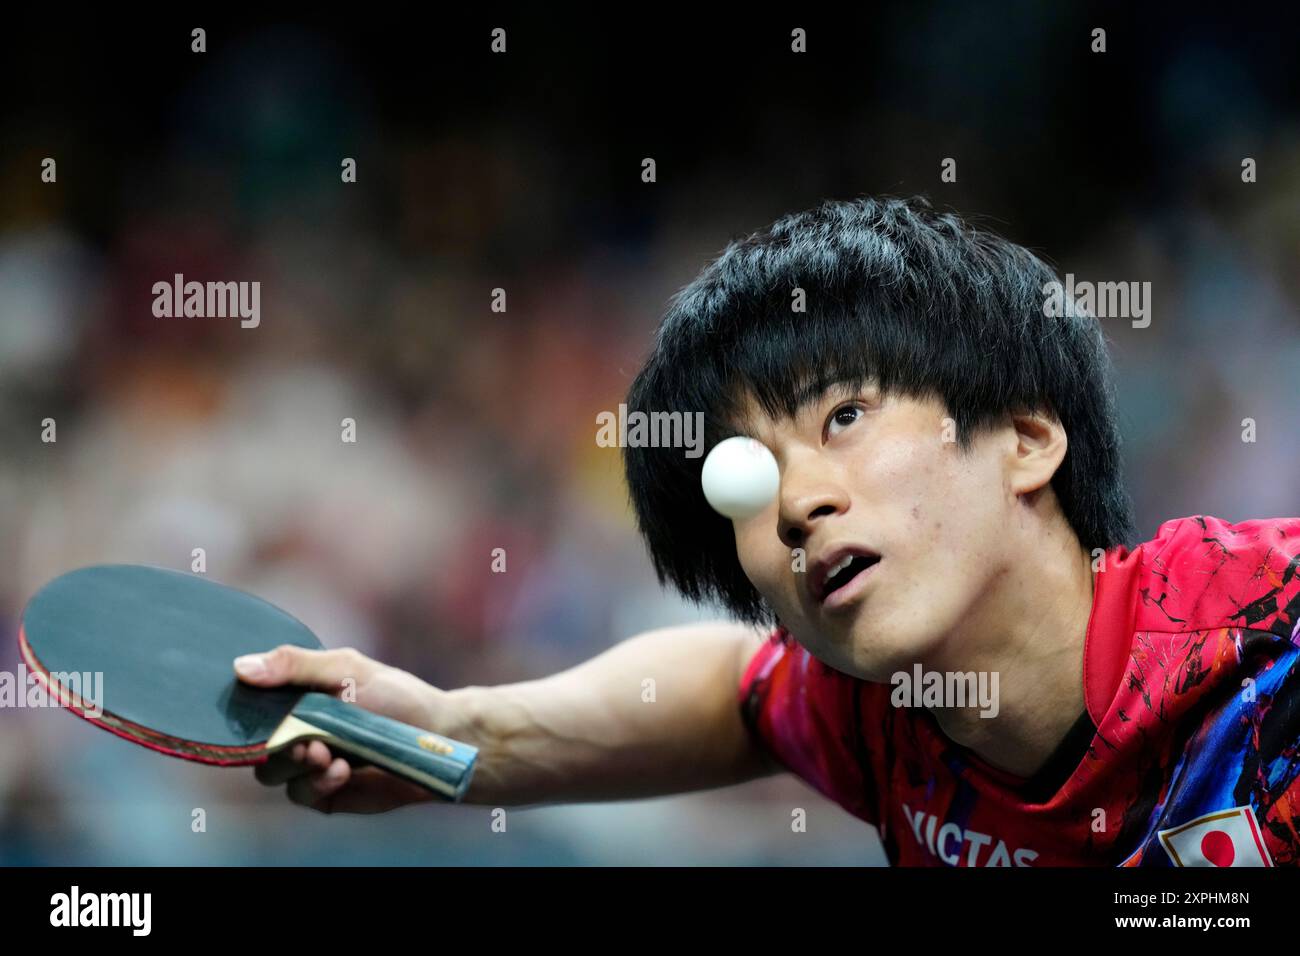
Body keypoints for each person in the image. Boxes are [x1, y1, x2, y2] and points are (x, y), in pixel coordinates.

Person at [238, 196, 1300, 866]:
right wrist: (448, 730)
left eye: (843, 415)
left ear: (1025, 438)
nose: (793, 504)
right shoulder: (882, 716)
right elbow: (734, 691)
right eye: (742, 479)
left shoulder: (1268, 632)